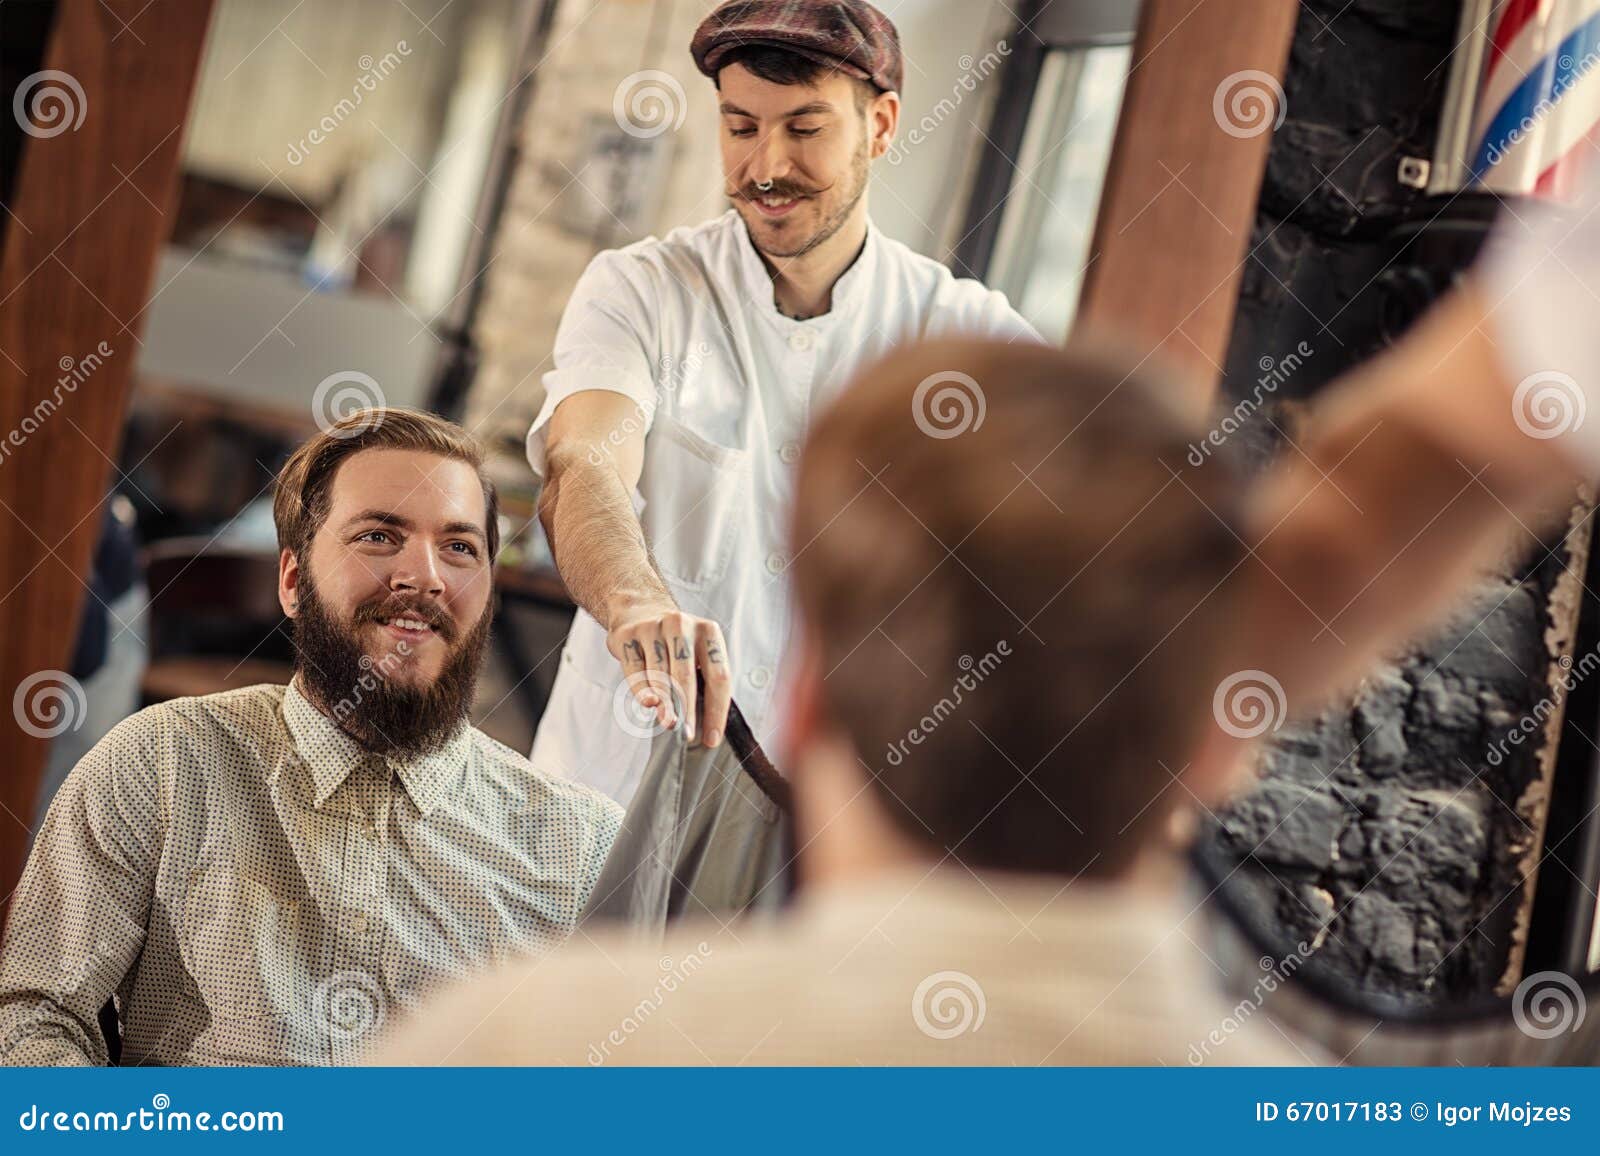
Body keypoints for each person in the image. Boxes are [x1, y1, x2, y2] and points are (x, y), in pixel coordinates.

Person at [375, 174, 1600, 1065]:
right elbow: (1420, 468)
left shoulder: (511, 1051)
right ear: (1226, 740)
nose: (765, 160)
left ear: (799, 702)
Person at [528, 0, 1040, 807]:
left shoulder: (966, 340)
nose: (766, 164)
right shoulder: (643, 290)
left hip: (823, 825)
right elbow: (585, 463)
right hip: (603, 796)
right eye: (741, 127)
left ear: (880, 125)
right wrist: (635, 604)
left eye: (805, 129)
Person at [0, 409, 621, 1066]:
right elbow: (34, 1015)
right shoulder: (162, 762)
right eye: (380, 535)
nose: (426, 574)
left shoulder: (580, 847)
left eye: (460, 547)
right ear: (294, 581)